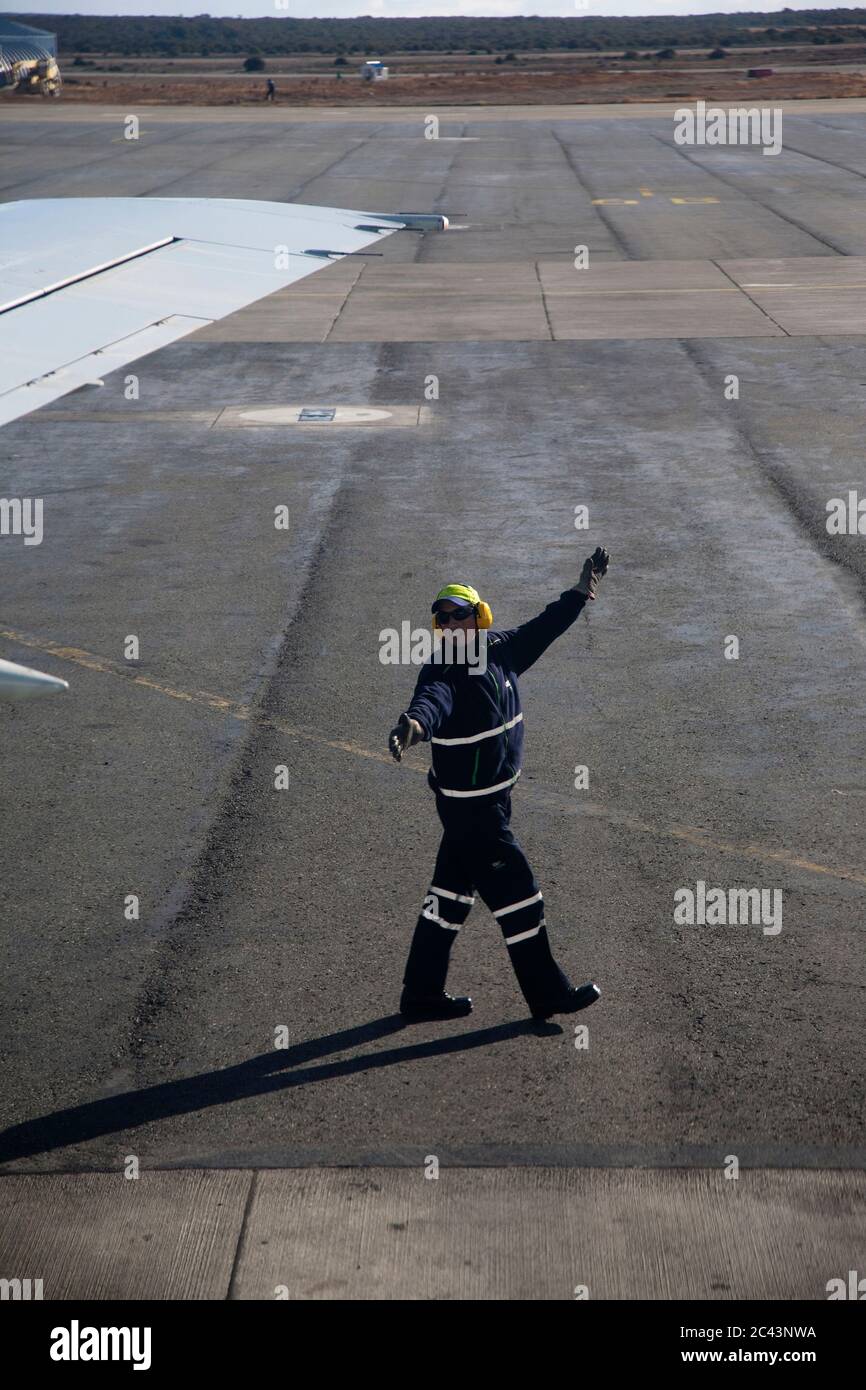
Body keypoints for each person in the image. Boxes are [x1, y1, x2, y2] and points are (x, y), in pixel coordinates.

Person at [389, 549, 610, 1022]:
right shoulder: (441, 671)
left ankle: (420, 995)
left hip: (487, 804)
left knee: (447, 899)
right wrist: (412, 727)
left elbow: (544, 626)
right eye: (440, 618)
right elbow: (431, 702)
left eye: (457, 615)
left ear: (478, 618)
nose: (447, 624)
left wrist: (580, 592)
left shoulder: (502, 650)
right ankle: (548, 994)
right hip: (476, 813)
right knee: (521, 897)